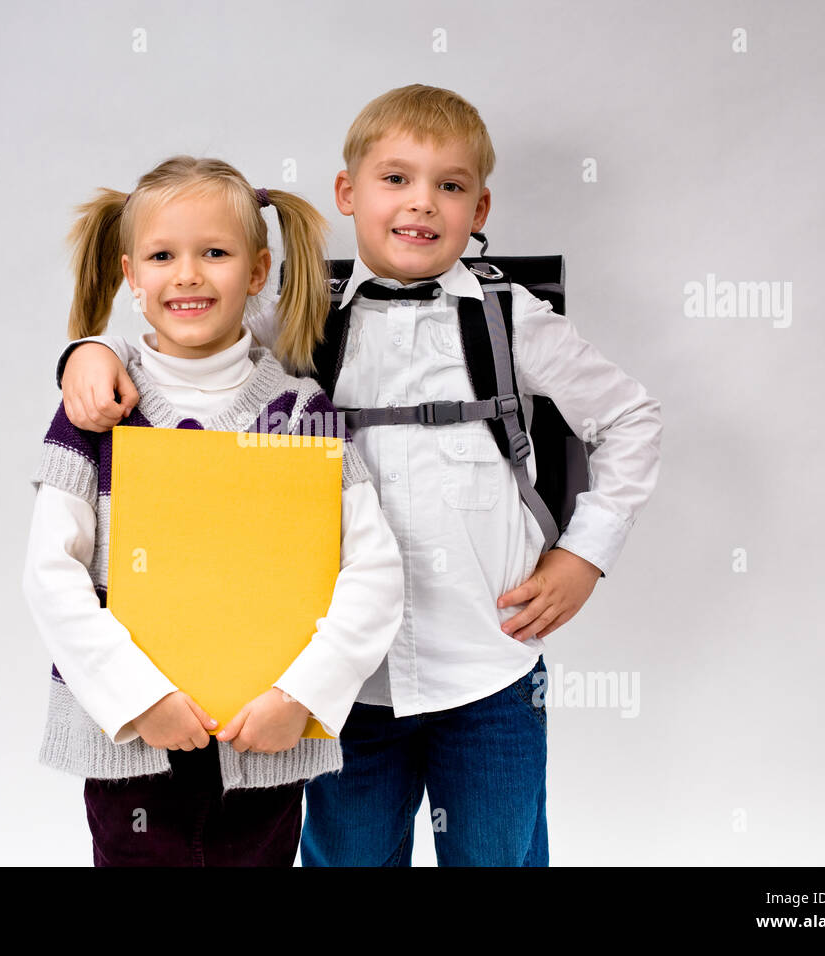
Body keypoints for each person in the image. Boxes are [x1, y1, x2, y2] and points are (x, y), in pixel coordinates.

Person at [54, 86, 663, 866]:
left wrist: (585, 555)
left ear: (480, 207)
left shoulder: (510, 320)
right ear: (348, 194)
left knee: (497, 854)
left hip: (491, 670)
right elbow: (190, 344)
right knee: (350, 858)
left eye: (450, 186)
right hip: (340, 685)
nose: (422, 203)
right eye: (396, 179)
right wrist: (90, 354)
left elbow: (630, 419)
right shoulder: (303, 313)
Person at [22, 155, 405, 867]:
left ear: (257, 272)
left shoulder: (301, 415)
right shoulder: (96, 412)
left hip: (264, 738)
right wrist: (138, 698)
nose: (188, 275)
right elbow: (52, 575)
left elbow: (373, 571)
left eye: (215, 254)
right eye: (163, 256)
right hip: (131, 749)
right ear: (132, 275)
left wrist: (302, 694)